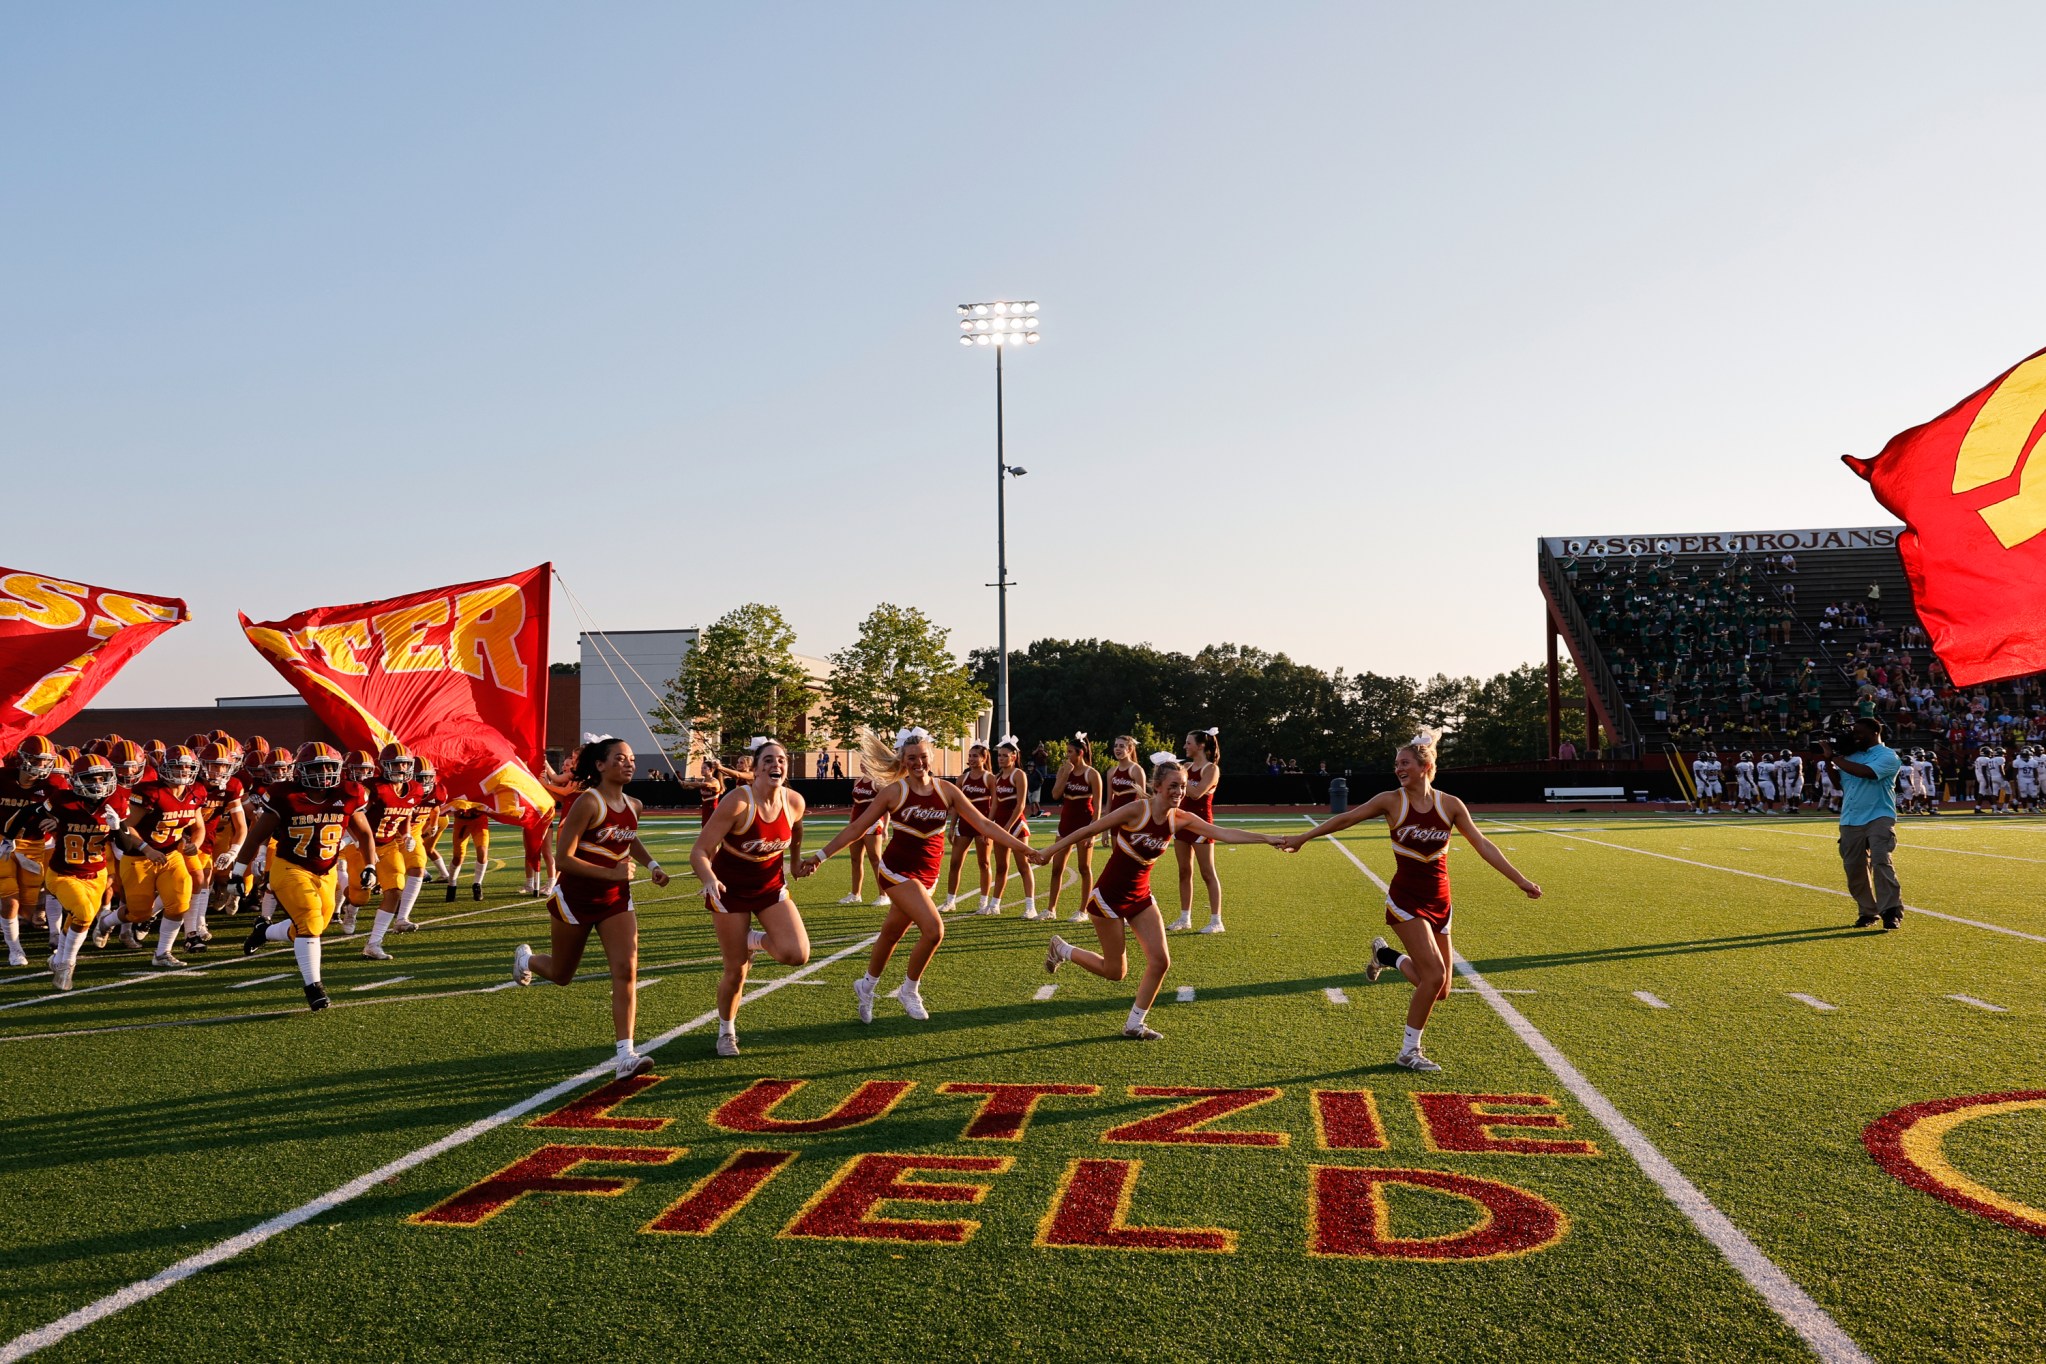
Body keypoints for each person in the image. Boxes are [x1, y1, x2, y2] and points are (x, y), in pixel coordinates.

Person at [1280, 728, 1541, 1073]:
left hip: (1441, 902)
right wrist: (1304, 836)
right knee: (1433, 976)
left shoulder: (1451, 804)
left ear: (1424, 766)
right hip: (1406, 900)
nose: (1398, 768)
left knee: (1440, 989)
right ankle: (1408, 1051)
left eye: (1405, 763)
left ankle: (1386, 956)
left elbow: (1482, 844)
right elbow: (1346, 818)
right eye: (1396, 764)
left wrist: (1520, 880)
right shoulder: (1391, 800)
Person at [1039, 753, 1286, 1040]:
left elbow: (1223, 833)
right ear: (1157, 786)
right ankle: (1063, 949)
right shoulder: (1136, 811)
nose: (1179, 792)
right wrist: (1048, 851)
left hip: (1141, 897)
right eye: (1173, 786)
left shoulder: (1180, 818)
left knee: (1160, 961)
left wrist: (1268, 839)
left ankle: (1134, 1024)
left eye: (1182, 786)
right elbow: (1090, 829)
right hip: (1108, 898)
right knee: (1115, 972)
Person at [797, 727, 1034, 1023]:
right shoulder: (894, 792)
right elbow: (856, 828)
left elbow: (985, 825)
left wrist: (1025, 849)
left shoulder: (947, 790)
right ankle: (909, 989)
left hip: (928, 875)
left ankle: (866, 986)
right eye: (911, 758)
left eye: (923, 756)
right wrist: (820, 857)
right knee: (934, 930)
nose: (918, 762)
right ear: (903, 760)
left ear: (931, 756)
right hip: (896, 871)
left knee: (891, 934)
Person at [512, 737, 670, 1078]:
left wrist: (652, 864)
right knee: (561, 975)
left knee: (626, 970)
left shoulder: (634, 804)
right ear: (600, 765)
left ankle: (625, 1055)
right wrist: (611, 872)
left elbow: (629, 836)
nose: (629, 763)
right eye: (619, 758)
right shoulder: (588, 802)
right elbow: (563, 859)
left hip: (616, 900)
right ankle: (527, 960)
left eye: (631, 758)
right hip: (575, 900)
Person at [233, 742, 381, 1011]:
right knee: (310, 921)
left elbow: (365, 834)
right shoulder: (285, 795)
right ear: (301, 770)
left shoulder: (349, 793)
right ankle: (314, 987)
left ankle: (264, 931)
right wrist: (237, 872)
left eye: (329, 767)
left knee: (313, 926)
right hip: (290, 867)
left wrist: (370, 865)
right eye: (316, 768)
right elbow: (255, 837)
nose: (323, 773)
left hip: (326, 870)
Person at [690, 737, 810, 1057]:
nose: (776, 764)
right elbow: (699, 851)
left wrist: (795, 862)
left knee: (797, 954)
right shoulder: (738, 802)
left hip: (770, 888)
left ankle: (752, 940)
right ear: (755, 770)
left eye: (781, 759)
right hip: (728, 891)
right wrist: (709, 878)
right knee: (736, 971)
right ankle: (726, 1031)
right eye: (768, 760)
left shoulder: (794, 801)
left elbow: (797, 830)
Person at [109, 745, 207, 968]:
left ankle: (162, 953)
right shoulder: (150, 792)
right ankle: (106, 923)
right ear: (165, 768)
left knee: (179, 903)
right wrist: (147, 849)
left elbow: (198, 827)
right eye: (178, 767)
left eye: (187, 767)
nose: (184, 771)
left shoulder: (196, 791)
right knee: (139, 913)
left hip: (171, 855)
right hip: (138, 857)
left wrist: (196, 844)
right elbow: (127, 826)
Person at [1820, 718, 1904, 930]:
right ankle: (1867, 911)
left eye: (1859, 732)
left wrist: (1835, 758)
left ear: (1875, 732)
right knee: (1854, 868)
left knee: (1881, 860)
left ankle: (1891, 911)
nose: (1854, 736)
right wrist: (1829, 761)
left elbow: (1867, 773)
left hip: (1879, 815)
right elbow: (1838, 784)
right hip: (1850, 817)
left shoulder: (1887, 756)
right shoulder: (1850, 756)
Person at [0, 736, 61, 967]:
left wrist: (57, 821)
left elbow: (69, 812)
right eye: (36, 760)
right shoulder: (3, 778)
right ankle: (15, 949)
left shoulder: (53, 786)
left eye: (46, 761)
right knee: (10, 900)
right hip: (2, 842)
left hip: (34, 845)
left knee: (27, 905)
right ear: (23, 758)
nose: (41, 766)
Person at [360, 742, 424, 962]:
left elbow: (406, 812)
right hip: (361, 845)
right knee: (358, 896)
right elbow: (355, 815)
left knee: (395, 890)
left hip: (387, 845)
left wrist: (406, 835)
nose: (401, 768)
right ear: (384, 766)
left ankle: (373, 943)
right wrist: (352, 840)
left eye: (405, 764)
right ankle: (349, 909)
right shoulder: (373, 788)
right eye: (396, 764)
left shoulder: (415, 789)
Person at [1045, 735, 1104, 924]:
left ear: (1081, 753)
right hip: (1065, 825)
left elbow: (1098, 807)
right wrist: (1065, 774)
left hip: (1084, 825)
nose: (1067, 755)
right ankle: (1051, 909)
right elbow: (1055, 794)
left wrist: (1093, 833)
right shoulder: (1065, 769)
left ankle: (1083, 910)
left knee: (1084, 868)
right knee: (1057, 868)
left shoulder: (1092, 774)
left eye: (1070, 752)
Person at [1170, 728, 1225, 933]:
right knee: (1184, 871)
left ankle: (1216, 921)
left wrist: (1179, 781)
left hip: (1202, 824)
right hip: (1182, 823)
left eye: (1188, 743)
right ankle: (1185, 917)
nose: (1185, 746)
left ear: (1201, 745)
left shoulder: (1211, 769)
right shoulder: (1186, 766)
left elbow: (1196, 793)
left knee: (1207, 873)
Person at [941, 743, 996, 914]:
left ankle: (983, 902)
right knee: (955, 863)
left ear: (984, 758)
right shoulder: (962, 779)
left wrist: (988, 827)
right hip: (964, 825)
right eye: (970, 755)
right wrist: (952, 827)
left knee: (984, 863)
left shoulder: (989, 778)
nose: (971, 759)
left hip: (982, 826)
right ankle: (950, 901)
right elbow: (956, 806)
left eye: (975, 756)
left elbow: (994, 804)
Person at [988, 738, 1040, 918]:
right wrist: (988, 826)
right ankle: (994, 905)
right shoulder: (996, 777)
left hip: (1016, 826)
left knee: (1023, 866)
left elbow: (1021, 805)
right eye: (999, 756)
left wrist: (1008, 827)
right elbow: (994, 805)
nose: (1001, 759)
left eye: (1004, 755)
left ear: (1014, 756)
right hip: (1000, 827)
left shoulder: (1019, 775)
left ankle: (1030, 907)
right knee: (1001, 867)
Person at [840, 763, 890, 906]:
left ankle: (884, 895)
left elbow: (886, 807)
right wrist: (851, 823)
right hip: (856, 824)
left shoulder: (878, 783)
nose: (862, 765)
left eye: (865, 762)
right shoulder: (857, 781)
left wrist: (885, 828)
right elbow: (855, 805)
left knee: (875, 860)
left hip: (873, 824)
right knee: (855, 860)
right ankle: (855, 894)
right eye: (861, 763)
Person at [443, 790, 493, 901]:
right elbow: (451, 807)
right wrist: (458, 810)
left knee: (482, 853)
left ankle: (477, 884)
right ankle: (452, 885)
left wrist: (477, 809)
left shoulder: (480, 786)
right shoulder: (459, 787)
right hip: (462, 823)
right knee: (458, 858)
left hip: (479, 821)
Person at [1105, 735, 1147, 811]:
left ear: (1129, 749)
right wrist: (1106, 817)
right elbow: (1109, 801)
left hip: (1130, 815)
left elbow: (1142, 799)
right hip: (1114, 814)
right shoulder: (1111, 771)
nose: (1117, 748)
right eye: (1115, 746)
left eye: (1121, 746)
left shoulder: (1136, 770)